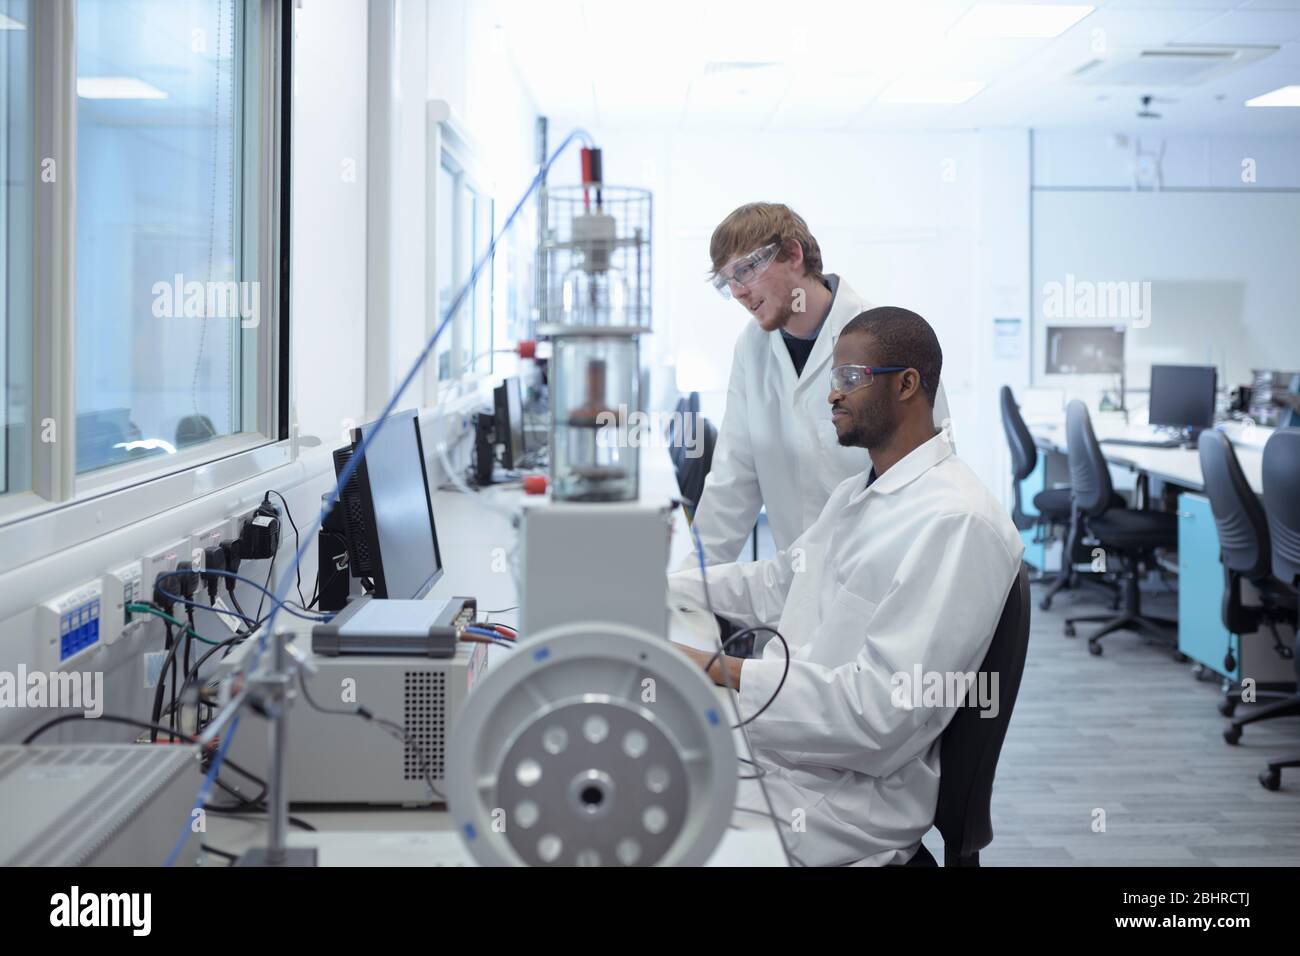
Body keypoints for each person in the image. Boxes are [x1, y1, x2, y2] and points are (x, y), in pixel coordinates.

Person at [668, 307, 1022, 867]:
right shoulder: (861, 492)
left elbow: (880, 714)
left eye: (850, 379)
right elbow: (775, 584)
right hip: (795, 761)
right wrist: (665, 590)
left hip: (847, 805)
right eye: (832, 378)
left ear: (908, 385)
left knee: (648, 824)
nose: (832, 394)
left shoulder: (956, 522)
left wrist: (712, 667)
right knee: (645, 774)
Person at [687, 203, 951, 566]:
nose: (738, 291)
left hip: (885, 572)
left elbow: (930, 472)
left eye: (746, 269)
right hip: (797, 582)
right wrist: (691, 587)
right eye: (727, 280)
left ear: (793, 254)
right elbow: (734, 480)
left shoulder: (885, 338)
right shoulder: (752, 347)